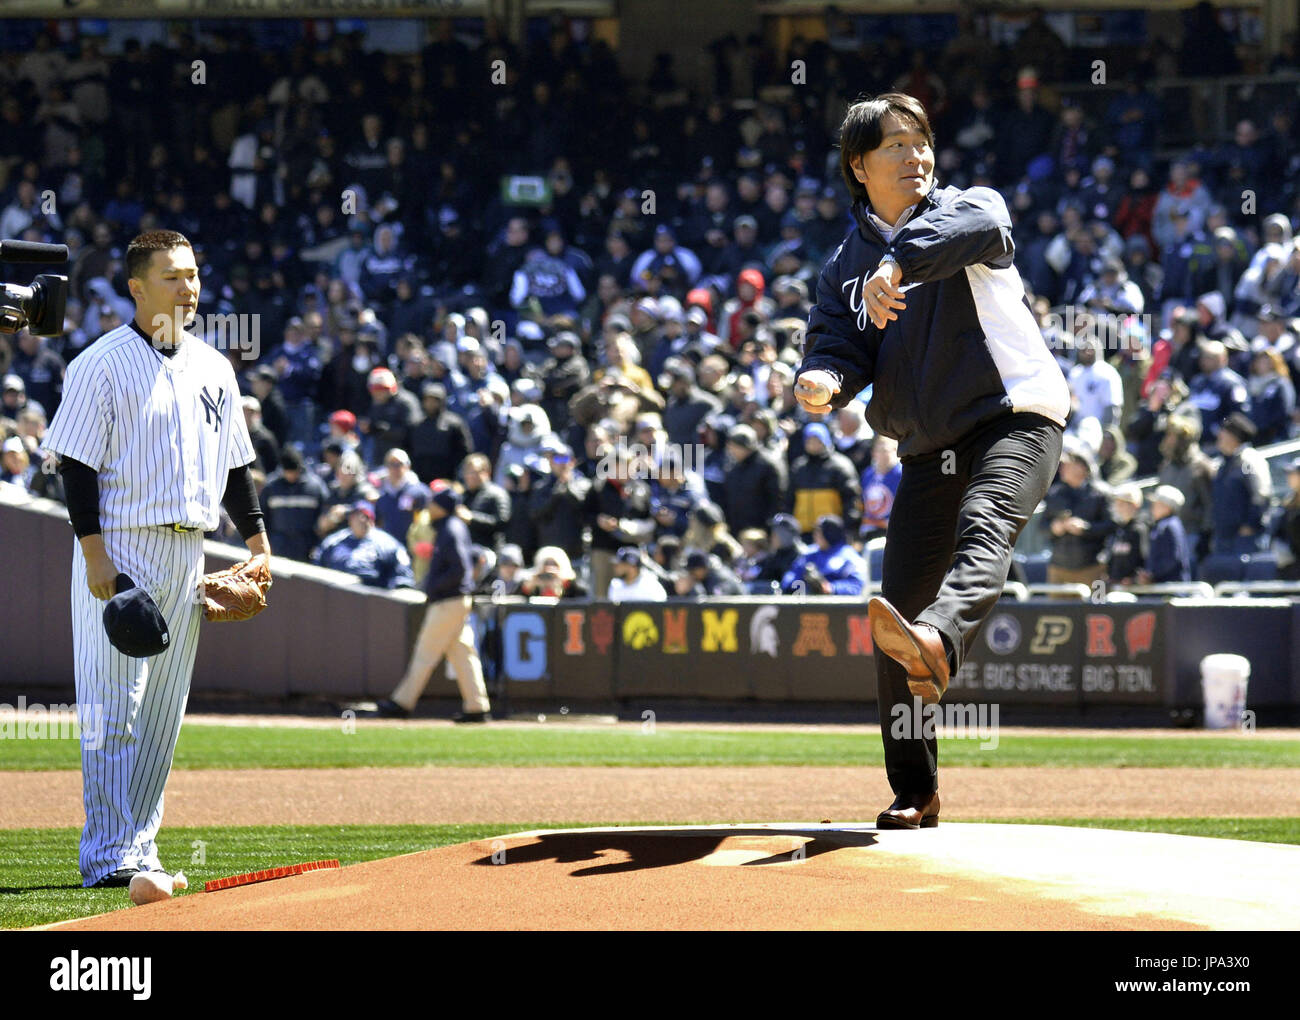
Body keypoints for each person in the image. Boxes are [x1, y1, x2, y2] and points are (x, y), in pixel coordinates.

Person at [793, 94, 1069, 829]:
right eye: (896, 146)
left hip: (1017, 417)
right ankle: (915, 788)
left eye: (922, 143)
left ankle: (940, 640)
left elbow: (985, 227)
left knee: (986, 525)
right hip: (927, 448)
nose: (916, 157)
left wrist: (899, 261)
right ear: (859, 165)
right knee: (892, 615)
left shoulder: (969, 206)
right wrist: (823, 379)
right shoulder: (843, 265)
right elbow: (837, 343)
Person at [41, 229, 270, 889]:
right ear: (136, 287)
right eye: (172, 276)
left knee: (163, 719)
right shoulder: (100, 363)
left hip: (189, 550)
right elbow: (76, 468)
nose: (188, 287)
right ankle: (108, 857)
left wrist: (257, 541)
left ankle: (142, 850)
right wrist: (94, 554)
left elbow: (235, 465)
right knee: (115, 710)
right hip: (122, 544)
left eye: (193, 275)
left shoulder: (212, 366)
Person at [363, 483, 491, 722]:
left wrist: (434, 586)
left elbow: (460, 569)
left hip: (448, 600)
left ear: (442, 507)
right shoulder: (451, 527)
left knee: (425, 653)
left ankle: (401, 702)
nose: (429, 506)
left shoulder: (450, 529)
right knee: (463, 654)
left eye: (434, 502)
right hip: (455, 600)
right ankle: (477, 707)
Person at [314, 501, 415, 589]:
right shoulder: (334, 541)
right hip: (335, 595)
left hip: (370, 600)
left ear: (371, 520)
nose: (359, 519)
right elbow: (316, 566)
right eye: (354, 515)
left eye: (364, 516)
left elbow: (402, 578)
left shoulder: (388, 544)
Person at [261, 445, 329, 562]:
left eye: (294, 472)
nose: (291, 476)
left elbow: (324, 516)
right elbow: (263, 518)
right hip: (277, 548)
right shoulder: (271, 488)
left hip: (306, 549)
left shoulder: (315, 487)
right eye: (288, 472)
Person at [1140, 485, 1191, 584]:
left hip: (1171, 589)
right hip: (1162, 587)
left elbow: (1172, 558)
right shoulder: (1162, 525)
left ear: (1167, 507)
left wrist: (1152, 574)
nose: (1152, 508)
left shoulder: (1169, 526)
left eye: (1156, 504)